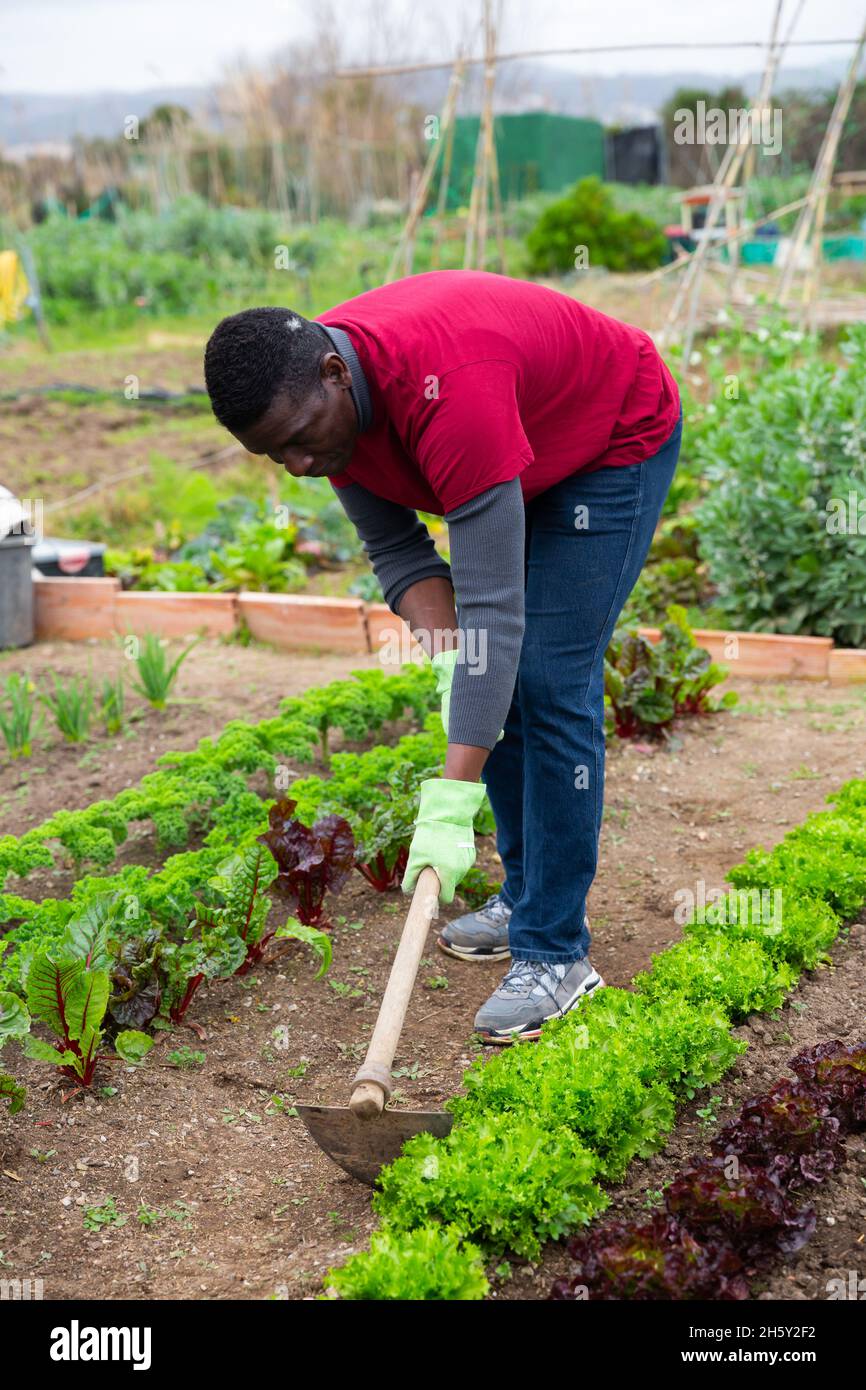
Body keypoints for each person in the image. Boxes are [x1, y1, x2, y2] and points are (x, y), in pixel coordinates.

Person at [203, 269, 682, 1044]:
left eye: (296, 441)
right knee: (488, 677)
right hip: (516, 446)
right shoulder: (324, 408)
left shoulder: (447, 387)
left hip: (607, 441)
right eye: (272, 456)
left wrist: (453, 803)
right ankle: (529, 896)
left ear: (334, 373)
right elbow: (399, 550)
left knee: (547, 677)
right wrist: (456, 664)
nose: (296, 466)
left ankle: (556, 952)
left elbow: (493, 612)